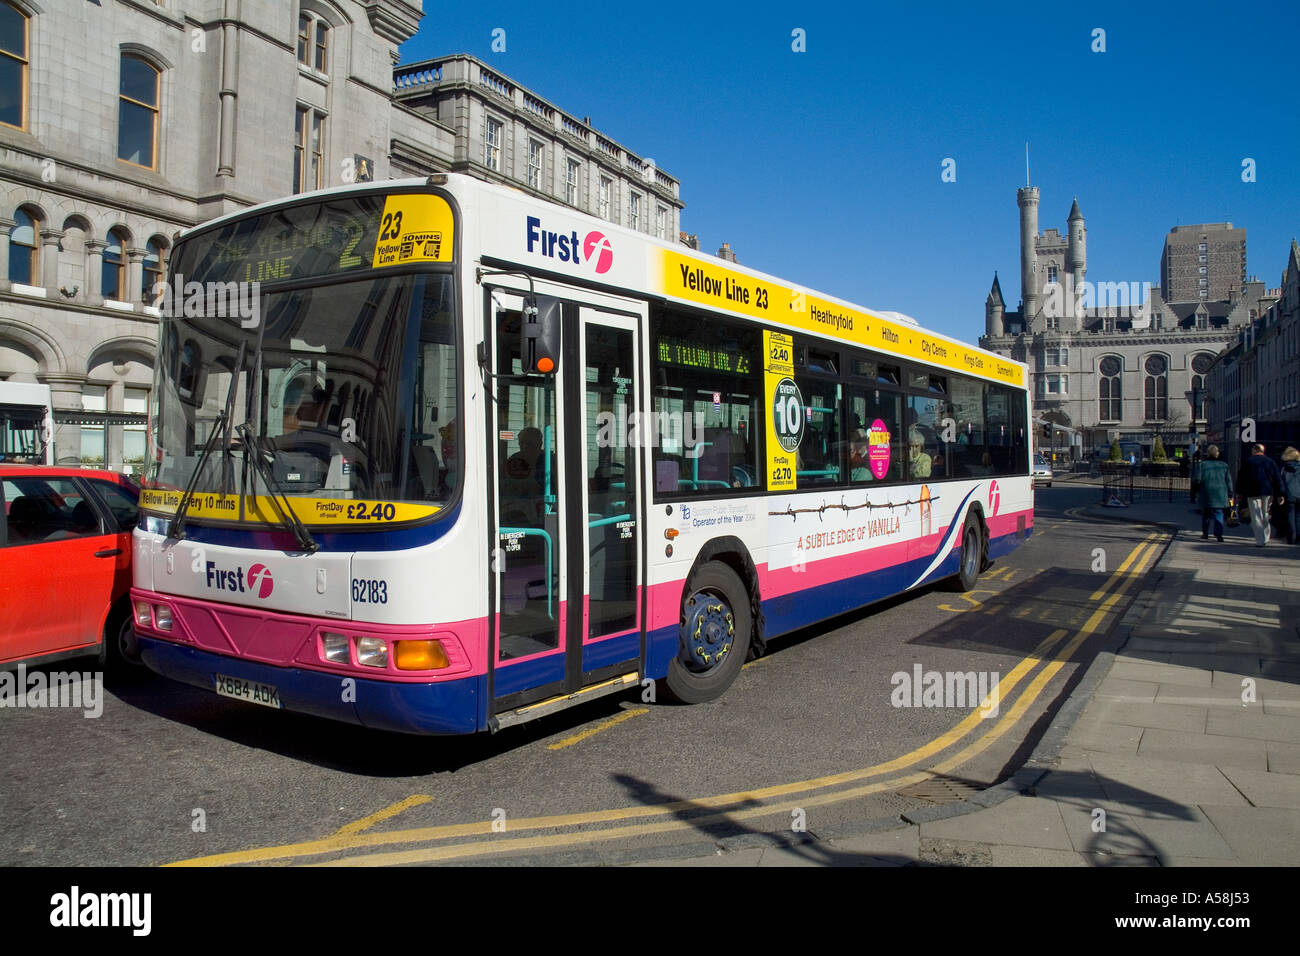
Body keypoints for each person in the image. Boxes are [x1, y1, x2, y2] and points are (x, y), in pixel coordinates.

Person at [1238, 443, 1283, 547]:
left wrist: (1240, 492)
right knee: (1266, 514)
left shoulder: (1248, 462)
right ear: (1263, 451)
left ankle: (1260, 540)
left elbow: (1241, 478)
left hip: (1252, 492)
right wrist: (1280, 494)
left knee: (1256, 516)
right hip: (1267, 492)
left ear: (1254, 450)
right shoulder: (1270, 462)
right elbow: (1277, 479)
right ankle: (1266, 537)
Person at [1196, 445, 1233, 542]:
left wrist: (1196, 492)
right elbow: (1229, 481)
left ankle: (1205, 533)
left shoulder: (1202, 465)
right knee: (1219, 513)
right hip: (1220, 493)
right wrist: (1230, 493)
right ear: (1217, 453)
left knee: (1206, 514)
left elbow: (1197, 479)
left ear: (1207, 453)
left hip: (1206, 493)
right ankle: (1219, 535)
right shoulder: (1224, 465)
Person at [1281, 447, 1300, 545]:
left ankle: (1291, 537)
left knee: (1290, 516)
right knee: (1298, 517)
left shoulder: (1285, 468)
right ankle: (1298, 537)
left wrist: (1281, 494)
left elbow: (1282, 482)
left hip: (1289, 494)